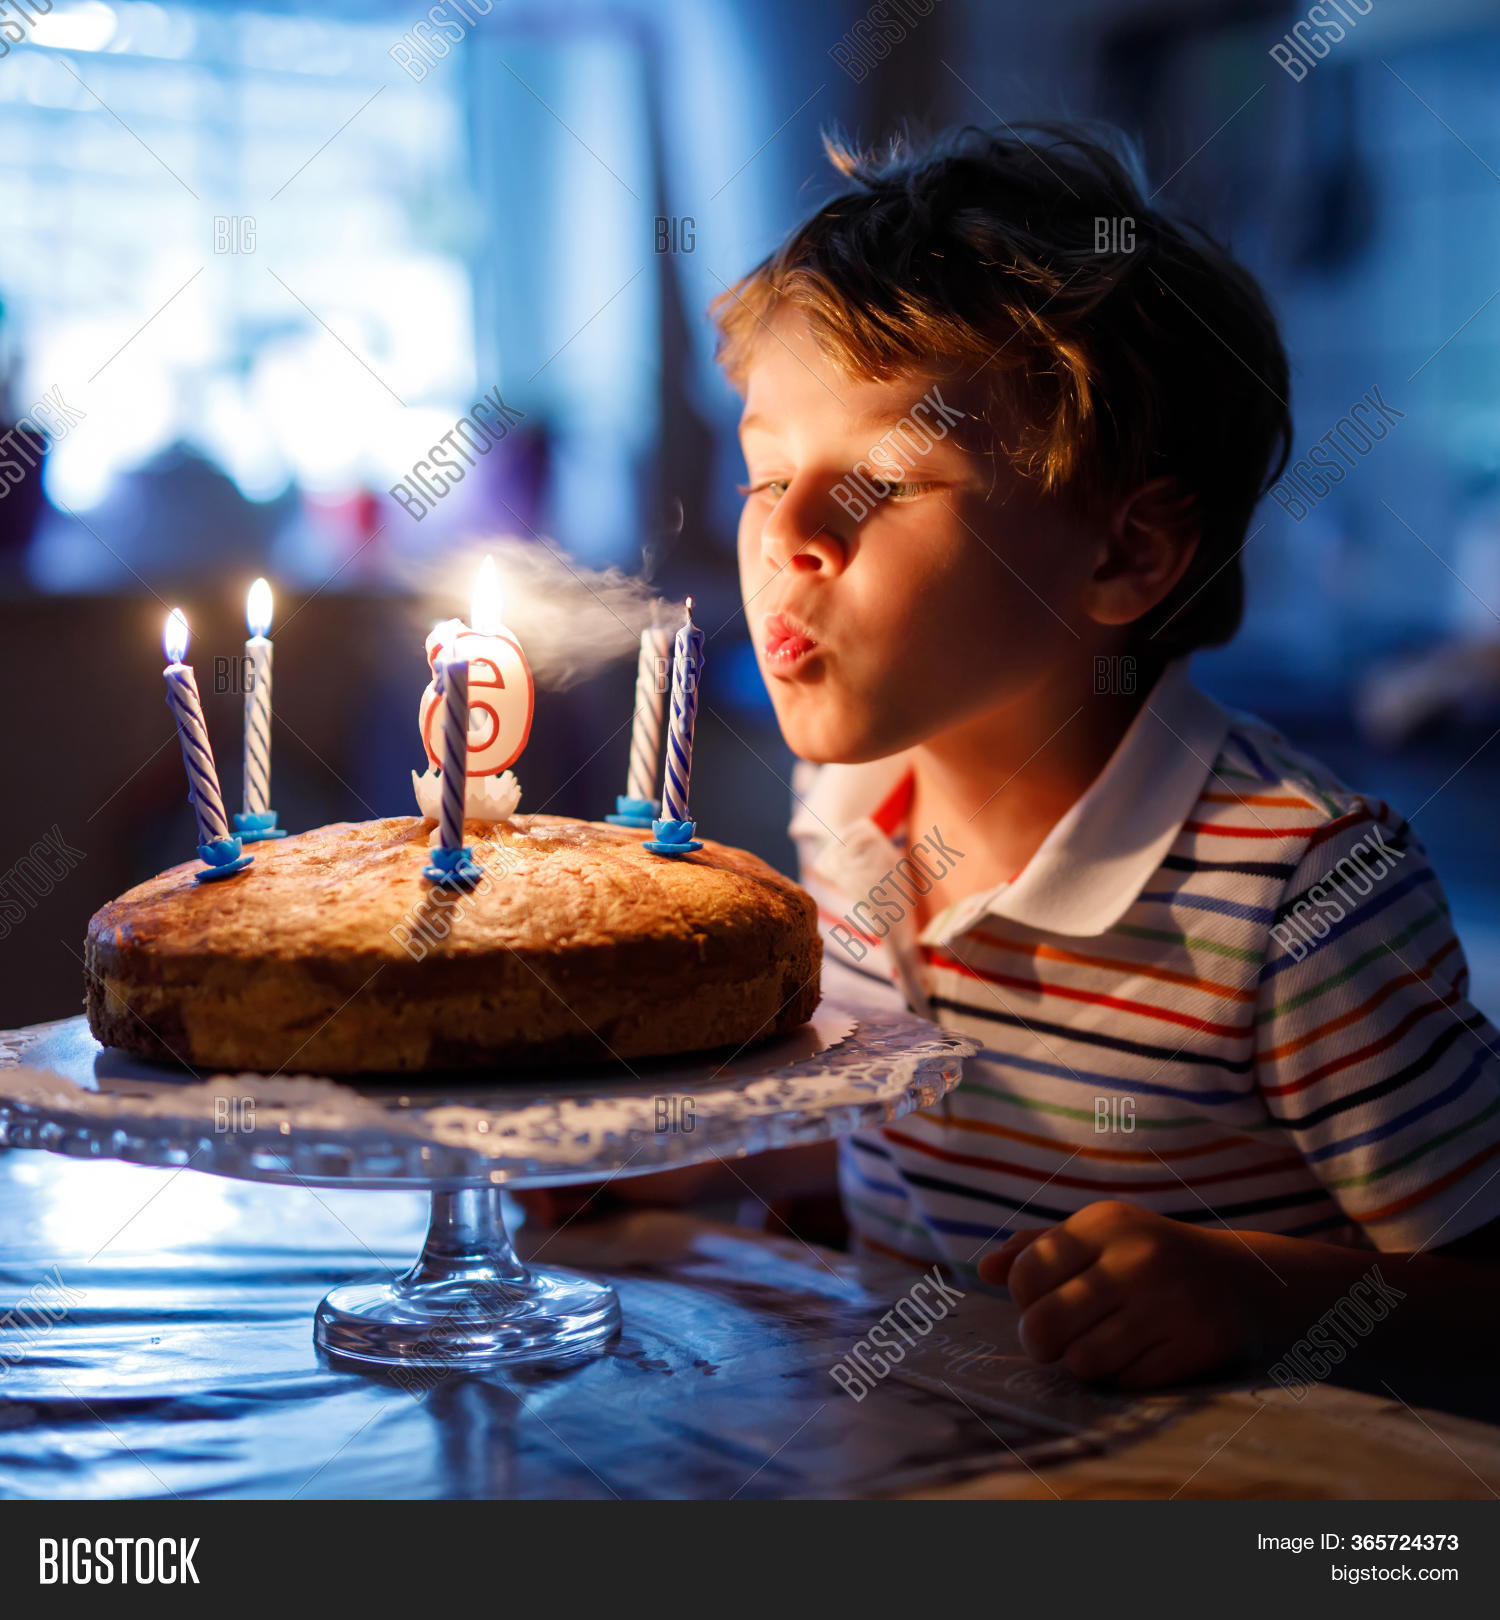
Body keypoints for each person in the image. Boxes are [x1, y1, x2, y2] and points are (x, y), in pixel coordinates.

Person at [534, 124, 1500, 1390]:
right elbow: (935, 1164)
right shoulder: (846, 808)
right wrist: (712, 1166)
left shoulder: (1296, 899)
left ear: (1123, 557)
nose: (792, 534)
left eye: (878, 481)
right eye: (767, 474)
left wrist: (1259, 1295)